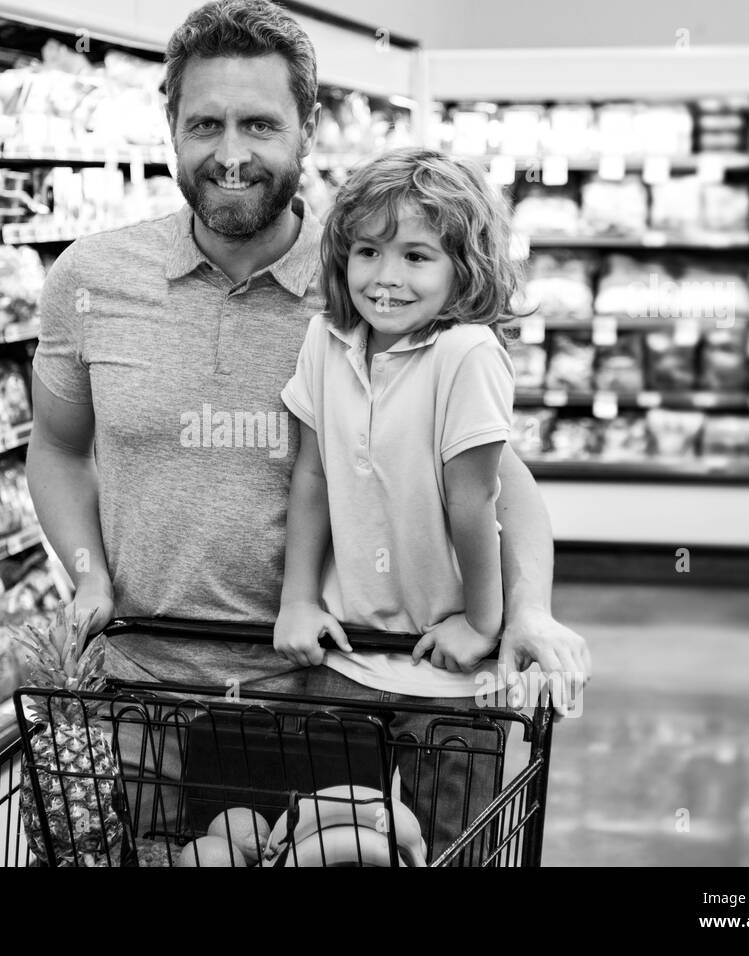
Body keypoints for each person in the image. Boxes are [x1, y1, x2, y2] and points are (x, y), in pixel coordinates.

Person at [26, 0, 590, 846]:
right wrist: (90, 578)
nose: (231, 155)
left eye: (260, 123)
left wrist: (529, 611)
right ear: (170, 126)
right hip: (148, 682)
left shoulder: (371, 279)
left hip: (347, 683)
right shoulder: (91, 277)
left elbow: (498, 484)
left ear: (307, 127)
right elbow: (59, 449)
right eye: (205, 124)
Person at [275, 146, 532, 858]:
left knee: (449, 849)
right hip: (350, 660)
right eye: (367, 251)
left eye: (417, 256)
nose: (385, 278)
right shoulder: (324, 340)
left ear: (463, 269)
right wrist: (299, 599)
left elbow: (476, 501)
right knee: (333, 851)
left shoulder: (466, 353)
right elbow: (313, 476)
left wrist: (480, 622)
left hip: (445, 678)